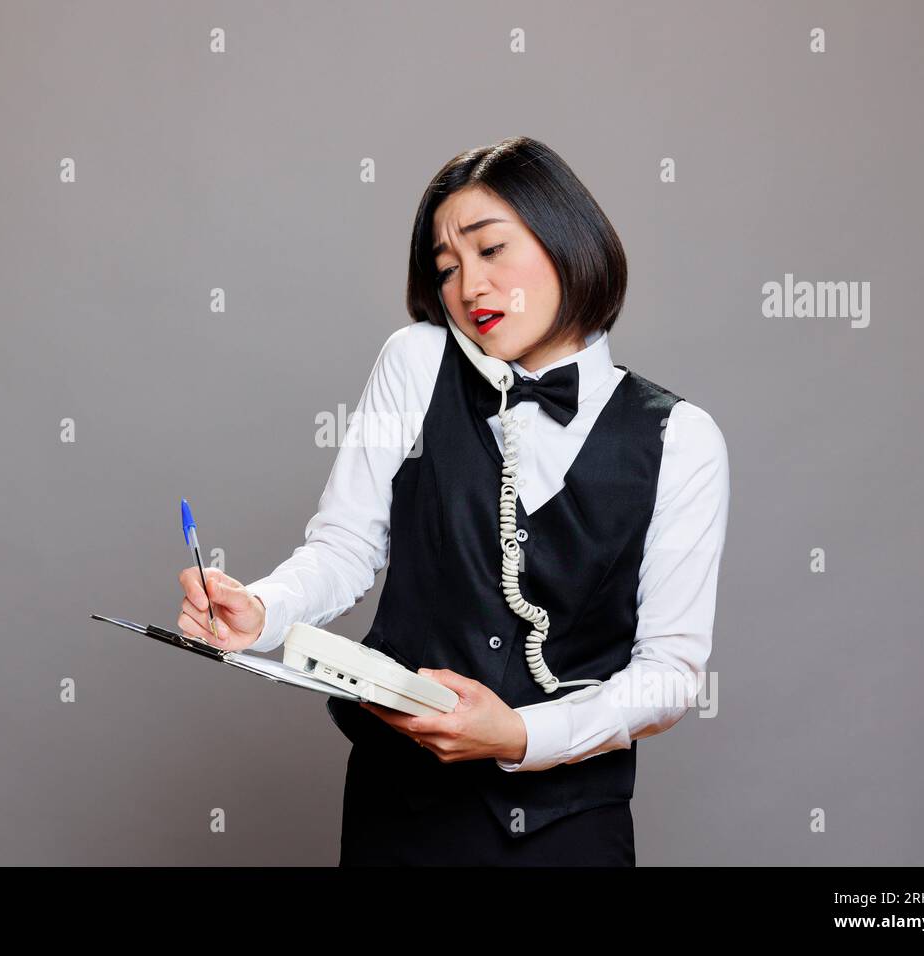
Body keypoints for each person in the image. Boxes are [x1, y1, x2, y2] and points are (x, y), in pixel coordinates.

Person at [176, 136, 730, 866]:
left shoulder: (682, 438)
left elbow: (669, 675)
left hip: (570, 833)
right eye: (446, 268)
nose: (470, 288)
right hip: (400, 816)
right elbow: (345, 546)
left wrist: (521, 735)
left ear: (568, 239)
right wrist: (262, 609)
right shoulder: (415, 361)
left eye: (491, 249)